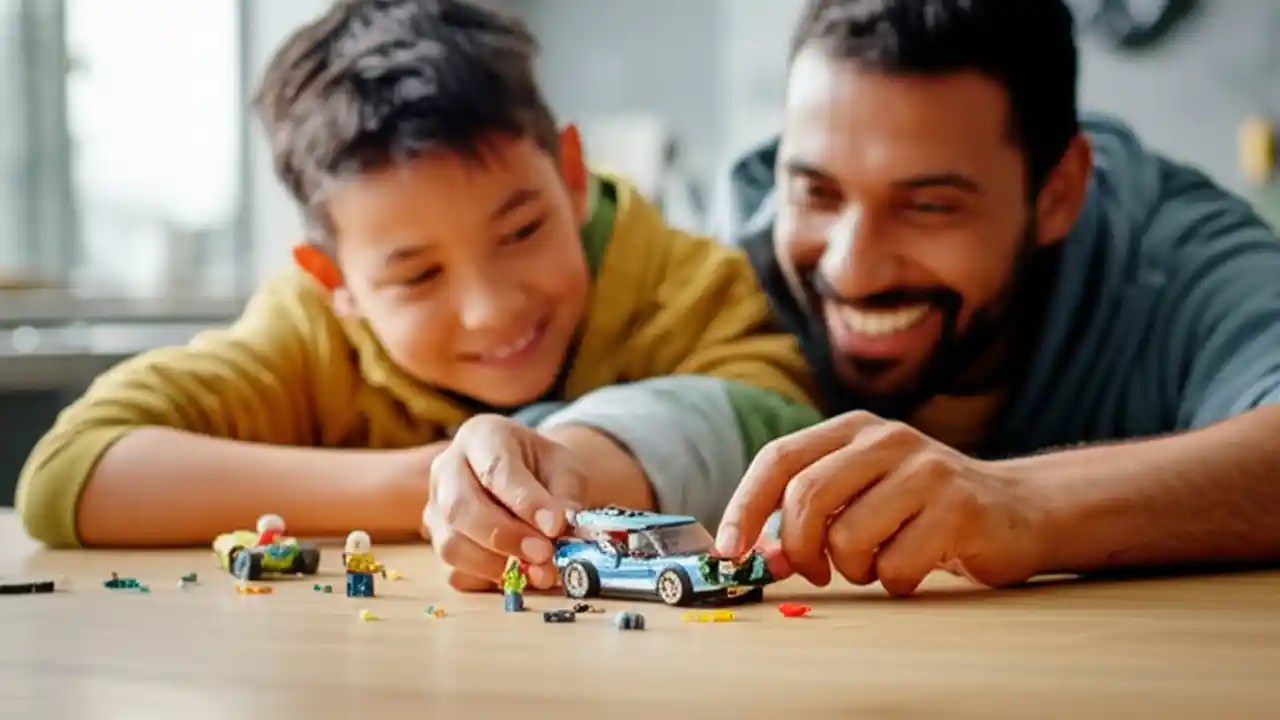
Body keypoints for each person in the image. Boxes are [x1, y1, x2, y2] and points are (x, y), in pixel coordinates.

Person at [15, 0, 821, 594]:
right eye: (416, 276)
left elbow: (779, 422)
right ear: (338, 285)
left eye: (521, 231)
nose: (490, 309)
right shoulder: (306, 331)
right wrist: (430, 482)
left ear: (571, 176)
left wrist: (563, 460)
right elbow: (70, 473)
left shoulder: (684, 284)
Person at [712, 0, 1280, 596]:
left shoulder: (1179, 258)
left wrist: (1022, 501)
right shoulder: (725, 265)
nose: (851, 271)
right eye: (816, 192)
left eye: (929, 206)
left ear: (1058, 194)